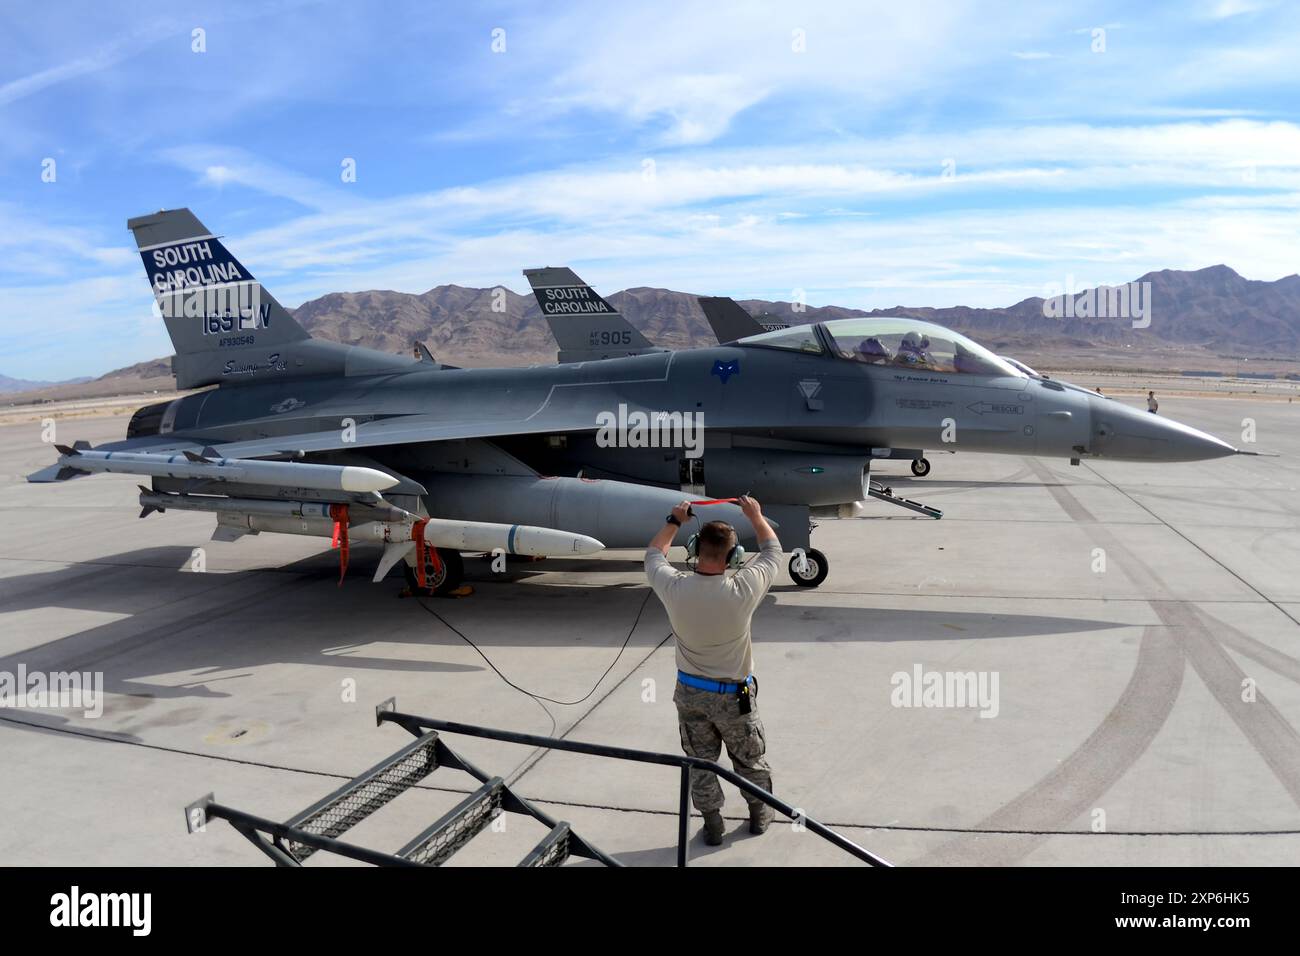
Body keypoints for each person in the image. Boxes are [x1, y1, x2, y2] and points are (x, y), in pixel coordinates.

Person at [645, 496, 783, 846]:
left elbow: (654, 553)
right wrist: (755, 515)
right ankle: (758, 813)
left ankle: (713, 823)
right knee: (750, 759)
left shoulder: (674, 588)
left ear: (694, 549)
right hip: (735, 694)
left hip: (690, 694)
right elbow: (772, 550)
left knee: (701, 763)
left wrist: (674, 520)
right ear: (733, 558)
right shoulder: (742, 588)